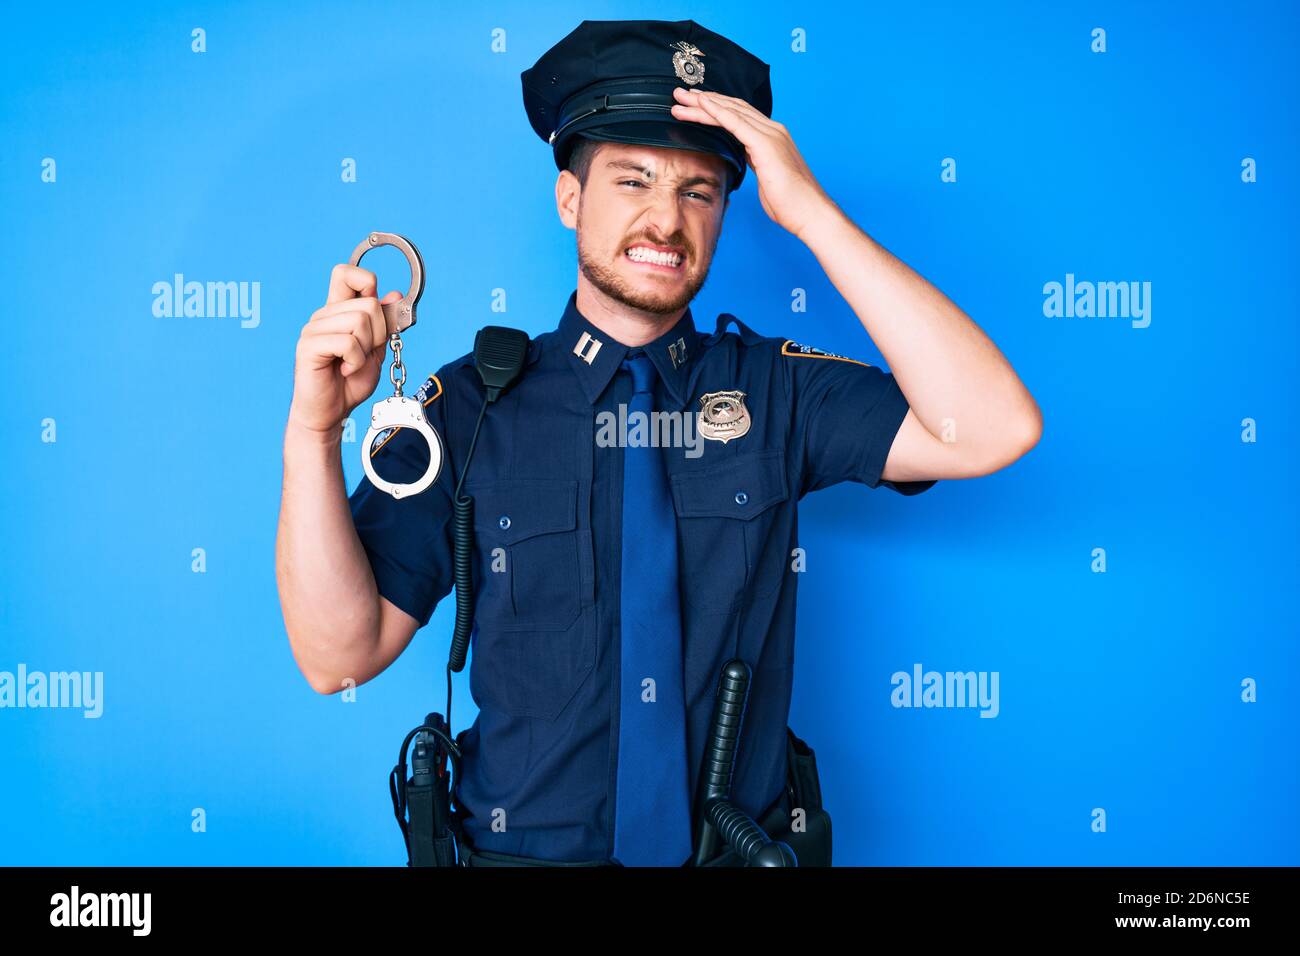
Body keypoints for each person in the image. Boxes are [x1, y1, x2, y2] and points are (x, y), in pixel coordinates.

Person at [275, 19, 1042, 866]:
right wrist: (314, 431)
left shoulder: (774, 390)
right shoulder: (469, 407)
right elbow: (336, 659)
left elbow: (994, 429)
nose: (664, 220)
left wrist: (814, 216)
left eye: (699, 191)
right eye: (633, 179)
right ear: (569, 198)